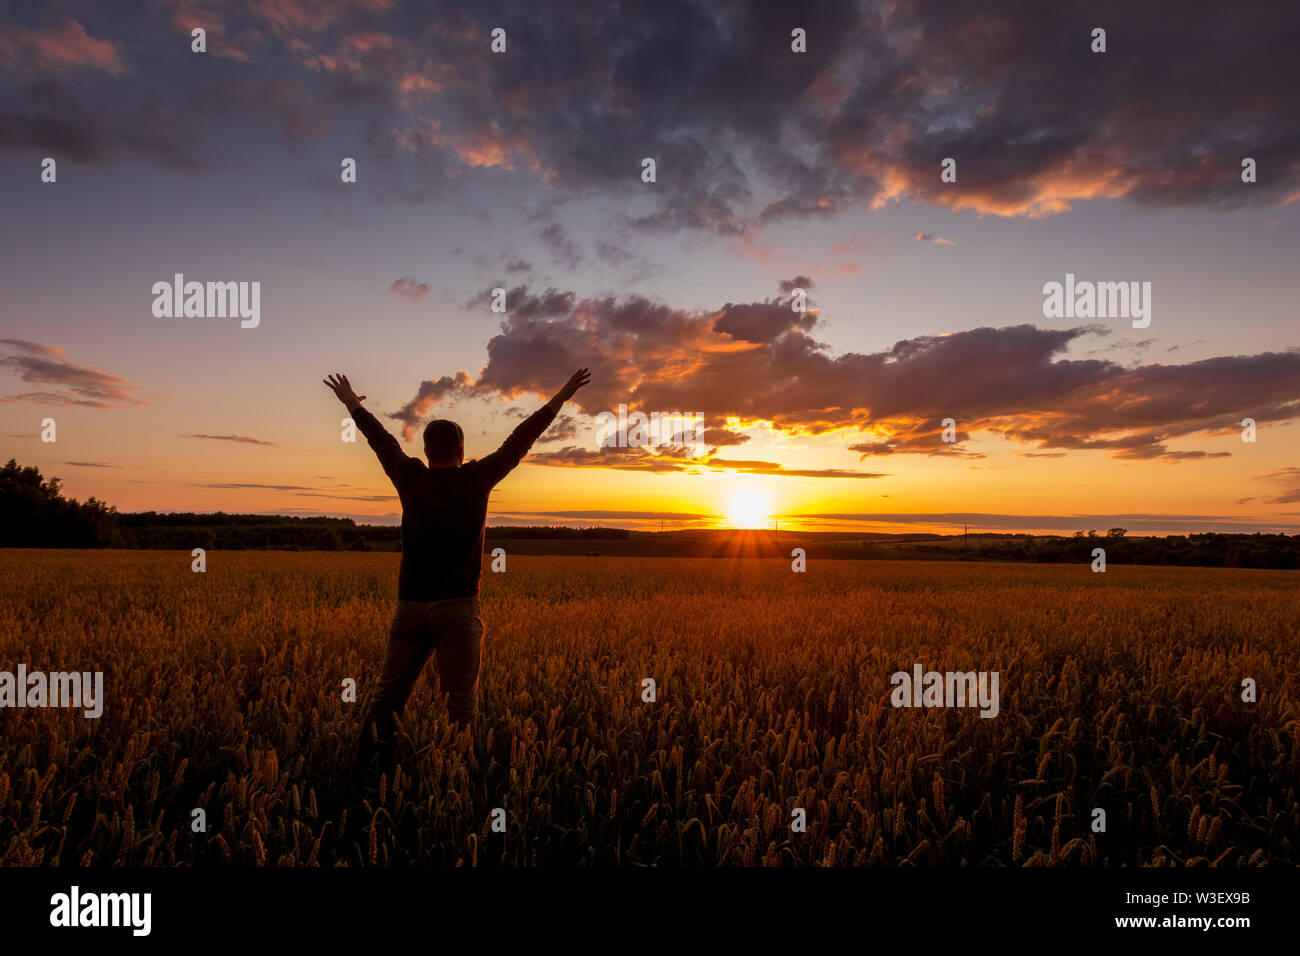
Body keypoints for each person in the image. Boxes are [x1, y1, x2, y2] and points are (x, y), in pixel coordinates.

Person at [323, 368, 591, 779]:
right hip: (458, 610)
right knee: (461, 709)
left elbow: (383, 442)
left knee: (384, 702)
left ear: (427, 450)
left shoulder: (410, 475)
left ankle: (361, 779)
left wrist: (353, 405)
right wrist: (562, 395)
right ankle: (458, 789)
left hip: (410, 608)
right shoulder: (476, 478)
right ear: (462, 450)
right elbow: (521, 439)